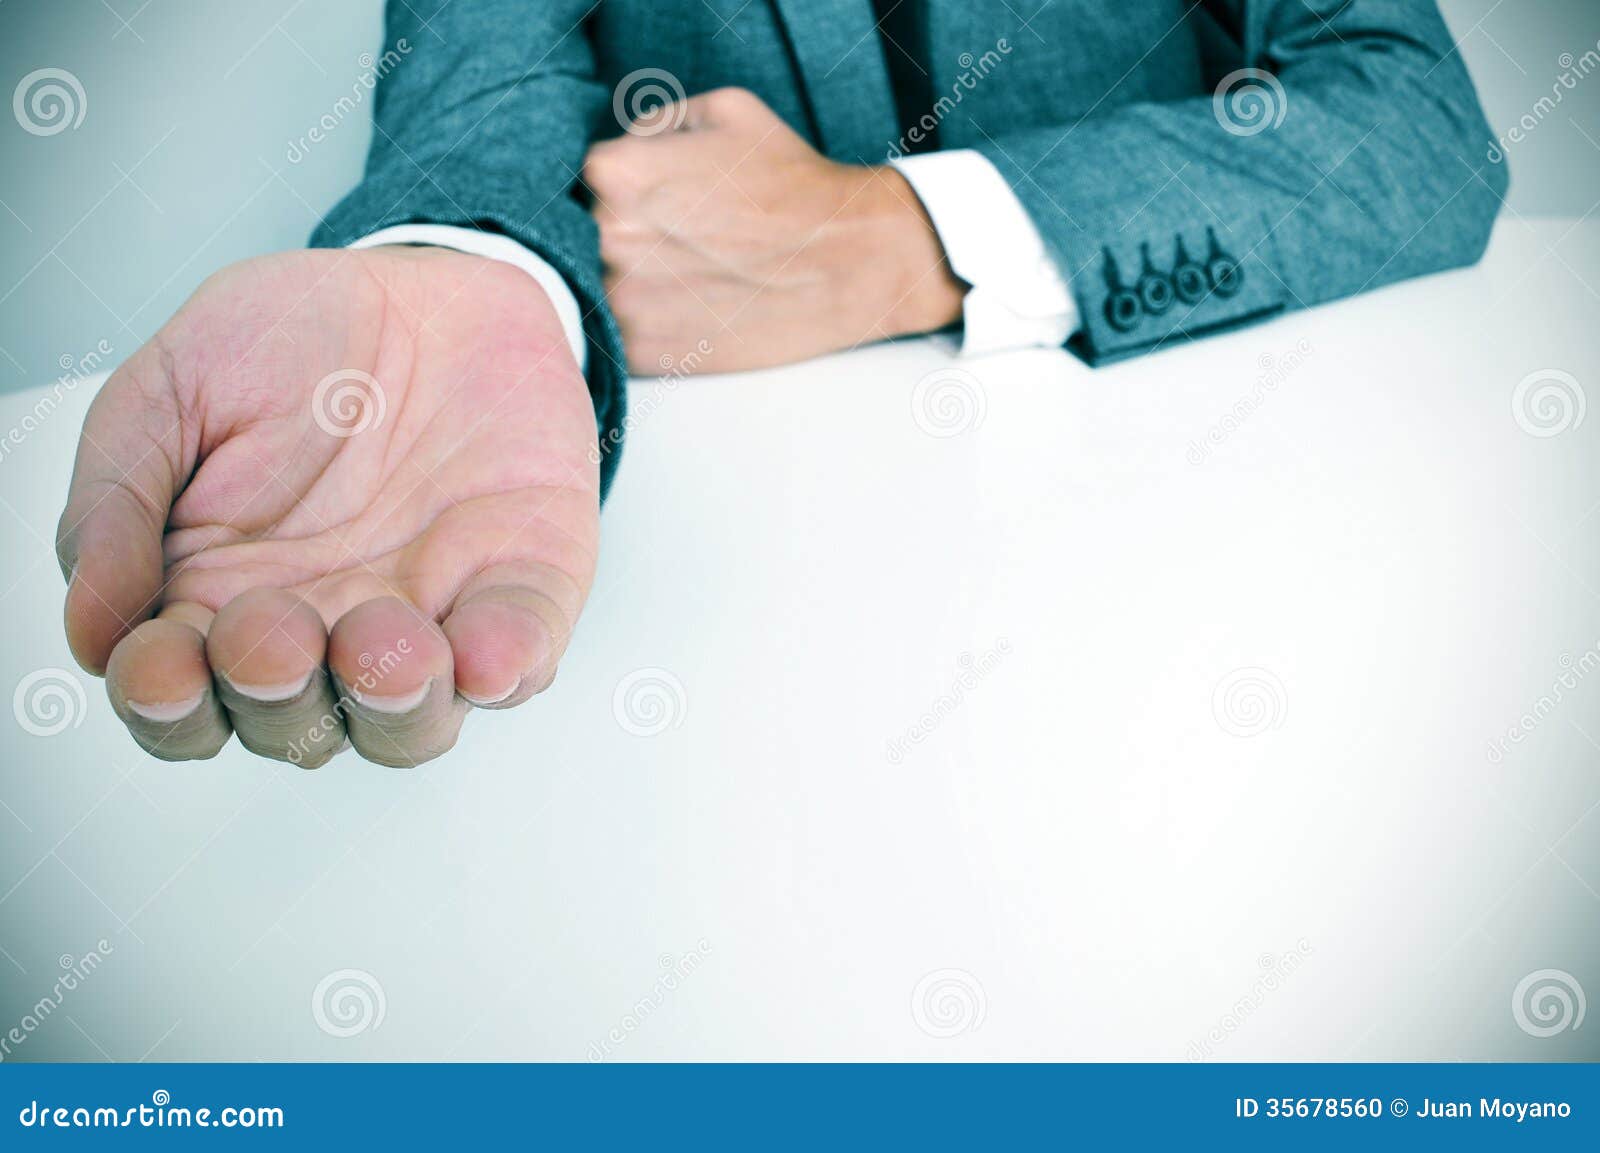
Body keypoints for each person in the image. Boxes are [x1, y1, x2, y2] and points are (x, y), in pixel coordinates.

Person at [58, 0, 1505, 766]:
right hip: (754, 681)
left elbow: (1416, 118)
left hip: (1217, 592)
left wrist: (900, 237)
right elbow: (478, 104)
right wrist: (459, 268)